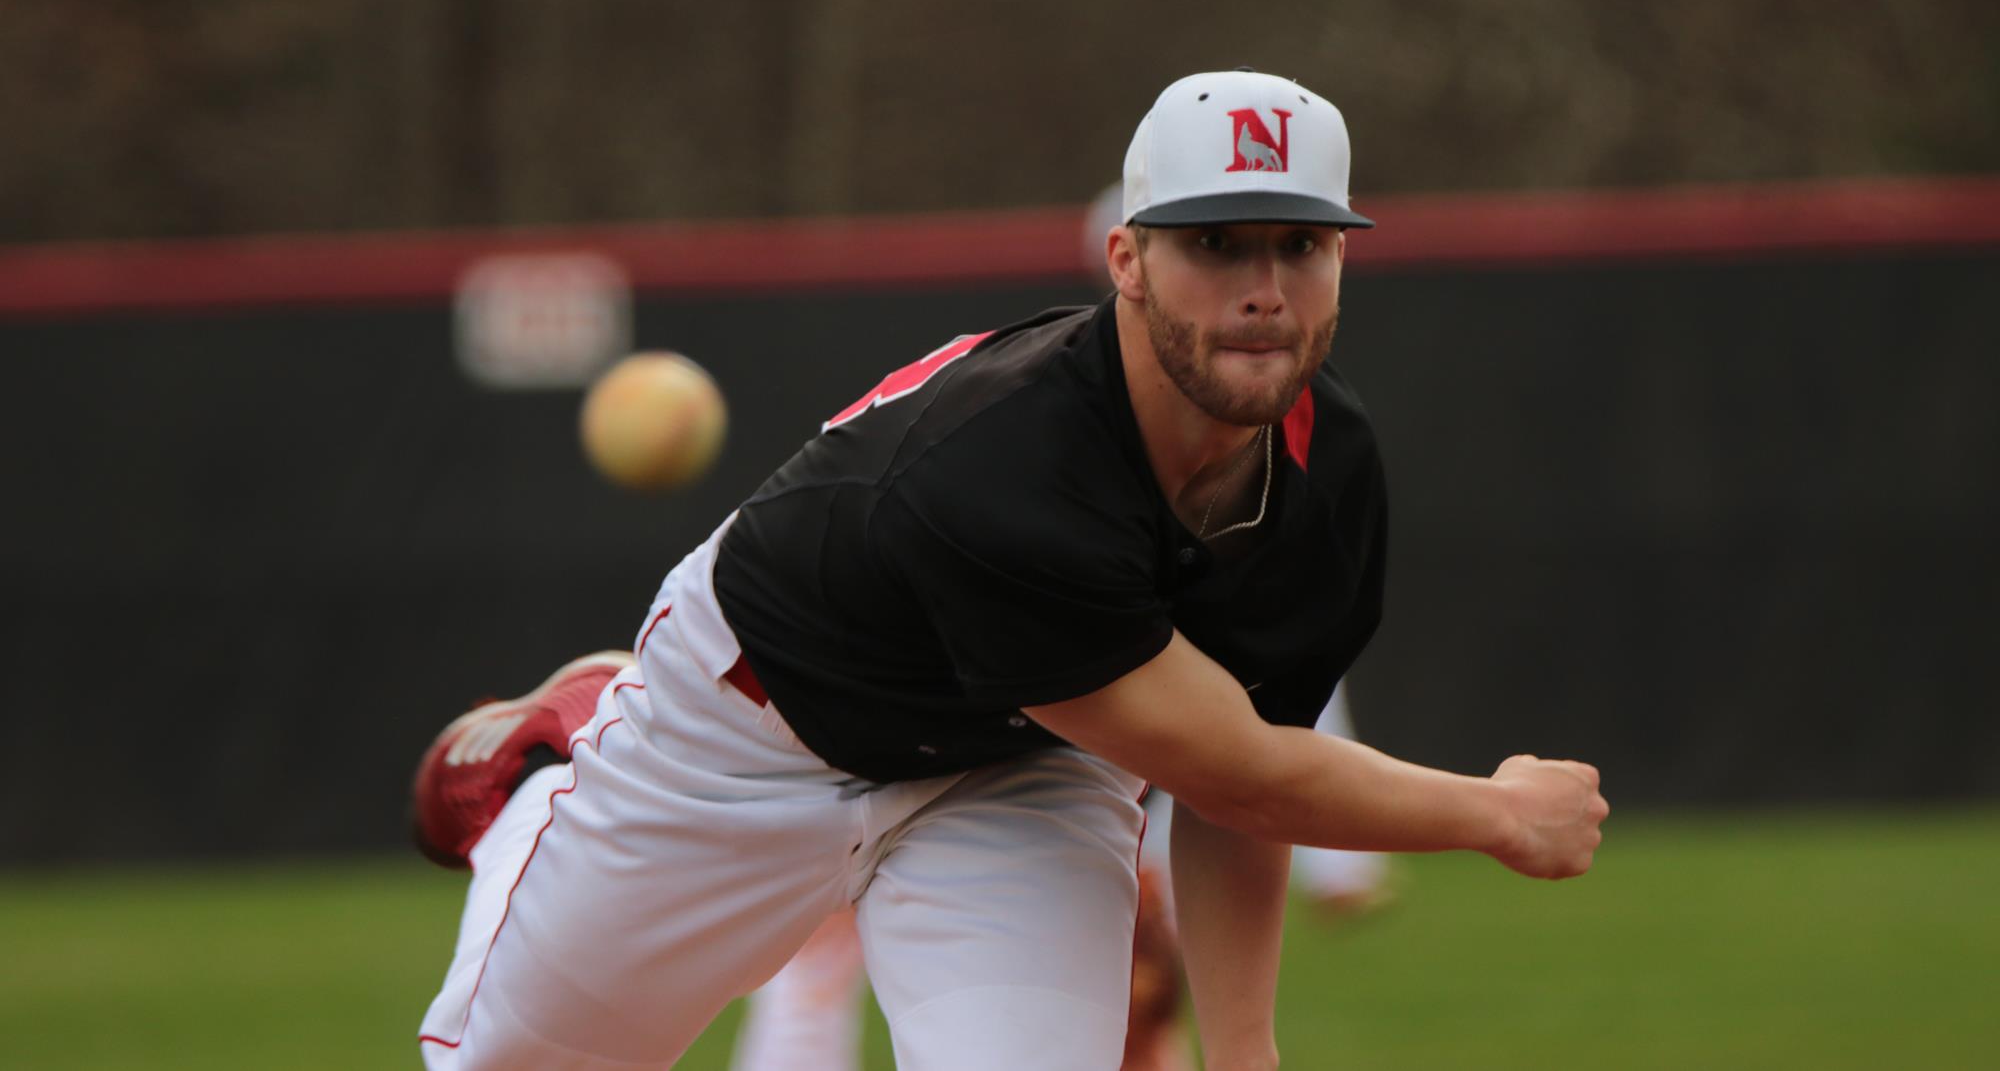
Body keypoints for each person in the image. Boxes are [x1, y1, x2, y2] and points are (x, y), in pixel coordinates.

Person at [411, 69, 1610, 1071]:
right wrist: (1496, 812)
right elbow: (1243, 774)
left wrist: (1242, 1055)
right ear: (1126, 261)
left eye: (1302, 243)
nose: (1262, 288)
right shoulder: (1009, 464)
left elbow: (1247, 770)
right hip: (749, 735)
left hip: (1021, 766)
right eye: (1213, 243)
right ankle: (551, 773)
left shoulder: (1324, 465)